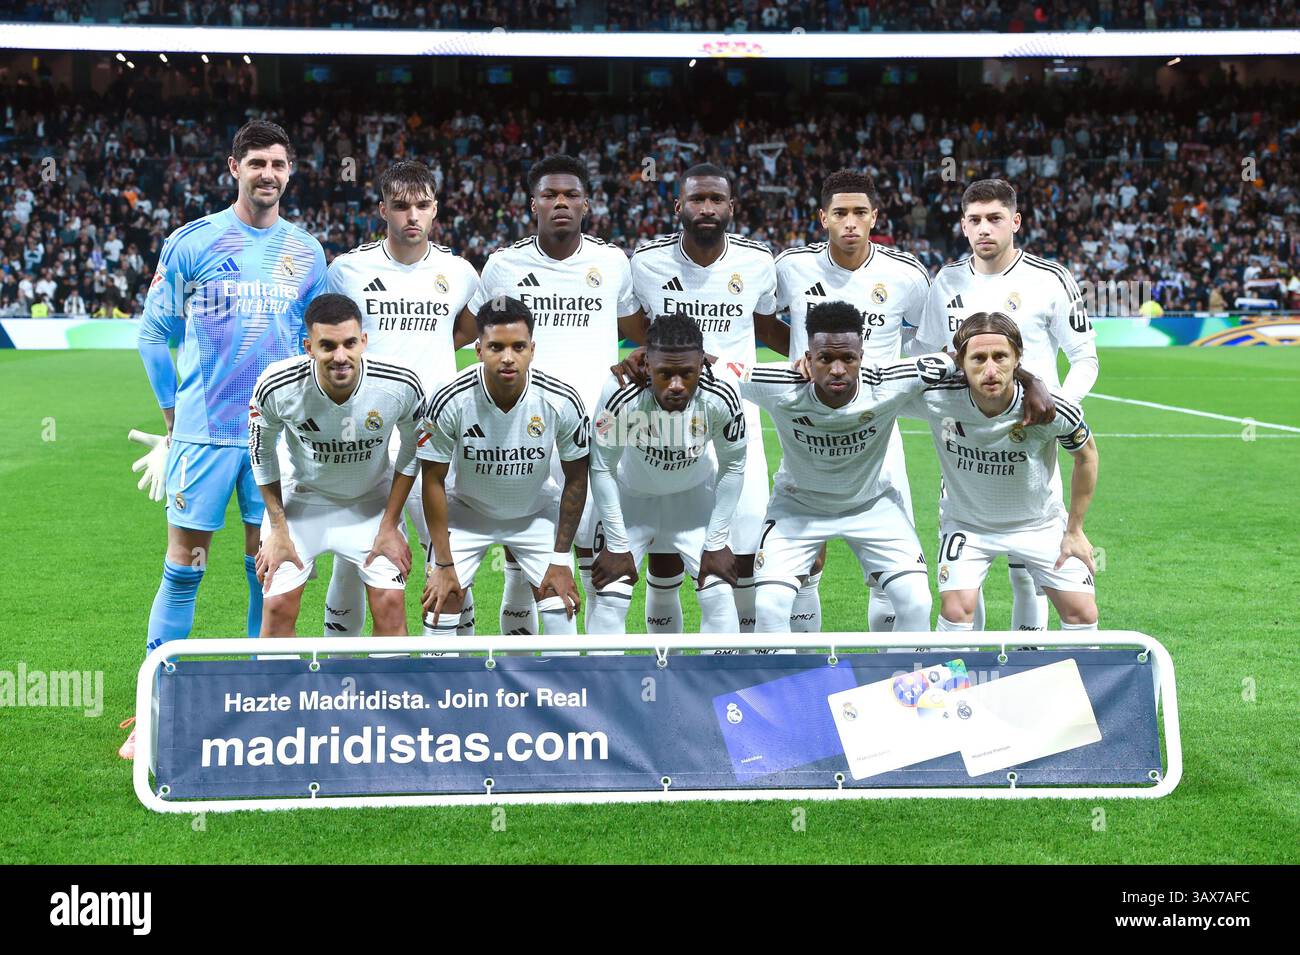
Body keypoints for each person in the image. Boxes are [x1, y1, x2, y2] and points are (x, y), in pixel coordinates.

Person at [123, 120, 326, 759]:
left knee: (264, 570)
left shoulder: (308, 254)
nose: (269, 174)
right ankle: (156, 705)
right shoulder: (194, 243)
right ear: (234, 166)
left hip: (276, 439)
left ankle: (254, 700)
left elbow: (319, 344)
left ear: (290, 172)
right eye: (257, 162)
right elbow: (154, 334)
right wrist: (170, 420)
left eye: (280, 164)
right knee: (184, 568)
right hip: (206, 437)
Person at [468, 155, 645, 635]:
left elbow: (635, 330)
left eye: (570, 195)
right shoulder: (503, 265)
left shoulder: (612, 262)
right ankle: (530, 683)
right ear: (533, 205)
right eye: (550, 195)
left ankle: (594, 684)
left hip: (601, 432)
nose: (561, 202)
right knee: (524, 560)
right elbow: (470, 333)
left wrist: (645, 354)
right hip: (528, 432)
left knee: (598, 566)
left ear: (586, 204)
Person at [913, 178, 1096, 632]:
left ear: (1014, 221)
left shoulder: (1049, 278)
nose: (984, 229)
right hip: (969, 437)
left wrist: (1055, 410)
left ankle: (1027, 668)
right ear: (962, 225)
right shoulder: (947, 281)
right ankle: (970, 682)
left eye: (994, 218)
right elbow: (927, 354)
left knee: (1029, 575)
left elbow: (1084, 358)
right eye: (974, 220)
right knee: (964, 585)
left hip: (1033, 442)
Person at [720, 301, 958, 634]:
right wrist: (641, 358)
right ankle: (785, 684)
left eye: (848, 358)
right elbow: (705, 366)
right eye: (825, 359)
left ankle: (901, 680)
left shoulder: (889, 380)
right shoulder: (778, 383)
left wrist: (1030, 382)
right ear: (808, 357)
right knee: (769, 605)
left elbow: (961, 355)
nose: (837, 369)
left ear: (862, 356)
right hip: (797, 507)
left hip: (872, 506)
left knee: (917, 602)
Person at [320, 159, 481, 641]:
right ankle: (339, 667)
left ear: (436, 210)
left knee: (444, 550)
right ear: (383, 210)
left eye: (422, 206)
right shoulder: (348, 269)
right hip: (366, 433)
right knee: (356, 553)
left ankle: (447, 666)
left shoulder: (459, 272)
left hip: (437, 433)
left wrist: (433, 352)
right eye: (401, 206)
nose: (412, 215)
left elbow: (468, 328)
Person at [626, 162, 788, 636]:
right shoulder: (646, 262)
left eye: (716, 200)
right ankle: (666, 663)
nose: (707, 208)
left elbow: (764, 327)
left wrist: (807, 356)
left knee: (744, 542)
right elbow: (638, 330)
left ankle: (738, 662)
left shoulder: (758, 261)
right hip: (665, 418)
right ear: (679, 206)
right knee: (664, 555)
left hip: (738, 418)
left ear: (731, 208)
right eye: (697, 199)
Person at [775, 168, 931, 634]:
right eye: (839, 212)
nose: (850, 222)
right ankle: (807, 669)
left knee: (890, 567)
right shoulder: (790, 267)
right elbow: (760, 321)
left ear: (874, 217)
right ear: (822, 217)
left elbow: (927, 344)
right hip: (806, 429)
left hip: (878, 431)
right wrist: (804, 362)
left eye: (860, 212)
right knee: (802, 561)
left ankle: (886, 670)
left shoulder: (906, 274)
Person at [902, 312, 1099, 636]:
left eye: (1001, 357)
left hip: (1040, 524)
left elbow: (1087, 455)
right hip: (968, 525)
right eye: (978, 358)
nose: (990, 369)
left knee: (1082, 612)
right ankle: (952, 687)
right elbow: (876, 392)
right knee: (956, 610)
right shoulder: (936, 397)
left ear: (1018, 358)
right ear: (960, 361)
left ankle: (1077, 685)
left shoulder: (1050, 407)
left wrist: (1074, 530)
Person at [249, 293, 424, 637]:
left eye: (350, 343)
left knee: (390, 604)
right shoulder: (276, 385)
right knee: (277, 605)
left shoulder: (400, 383)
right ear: (308, 347)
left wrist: (390, 524)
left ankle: (384, 691)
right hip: (301, 500)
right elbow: (261, 452)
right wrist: (278, 529)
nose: (340, 356)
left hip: (370, 503)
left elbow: (414, 448)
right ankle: (281, 691)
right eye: (327, 346)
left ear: (364, 341)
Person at [415, 296, 589, 643]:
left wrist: (559, 558)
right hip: (466, 513)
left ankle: (559, 695)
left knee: (560, 607)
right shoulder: (449, 398)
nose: (508, 357)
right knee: (440, 602)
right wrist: (444, 566)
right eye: (496, 347)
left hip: (535, 513)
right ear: (478, 349)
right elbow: (432, 480)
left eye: (518, 347)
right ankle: (448, 695)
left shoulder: (561, 398)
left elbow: (576, 477)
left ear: (532, 349)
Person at [586, 312, 748, 635]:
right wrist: (617, 543)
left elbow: (734, 465)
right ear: (646, 363)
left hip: (693, 501)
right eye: (664, 374)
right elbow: (602, 466)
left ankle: (715, 684)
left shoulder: (723, 392)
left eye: (686, 373)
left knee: (719, 592)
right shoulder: (619, 390)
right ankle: (610, 685)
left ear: (703, 363)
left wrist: (716, 540)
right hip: (632, 501)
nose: (676, 385)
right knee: (609, 597)